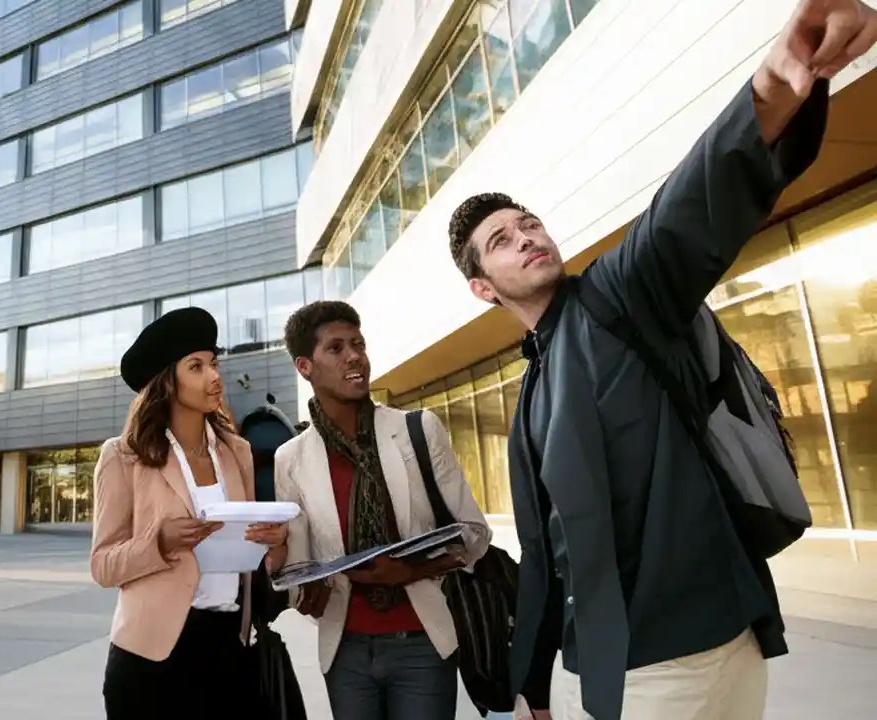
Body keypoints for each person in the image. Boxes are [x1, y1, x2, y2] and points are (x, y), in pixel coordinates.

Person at [445, 1, 877, 718]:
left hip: (700, 650)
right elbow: (549, 553)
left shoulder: (620, 296)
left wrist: (784, 72)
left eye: (529, 224)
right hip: (624, 666)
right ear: (482, 288)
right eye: (500, 241)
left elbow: (689, 202)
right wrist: (531, 686)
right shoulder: (531, 396)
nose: (525, 236)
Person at [267, 300, 492, 720]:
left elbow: (474, 534)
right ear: (305, 366)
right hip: (345, 649)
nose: (354, 356)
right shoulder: (290, 459)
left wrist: (409, 571)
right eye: (335, 348)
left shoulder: (417, 431)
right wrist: (300, 589)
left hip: (422, 645)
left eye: (358, 344)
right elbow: (298, 565)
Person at [90, 307, 288, 719]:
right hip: (151, 658)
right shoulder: (123, 457)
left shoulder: (238, 452)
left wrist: (274, 543)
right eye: (195, 366)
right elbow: (103, 565)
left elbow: (259, 560)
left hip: (229, 648)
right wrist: (158, 543)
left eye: (213, 363)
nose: (213, 376)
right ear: (167, 380)